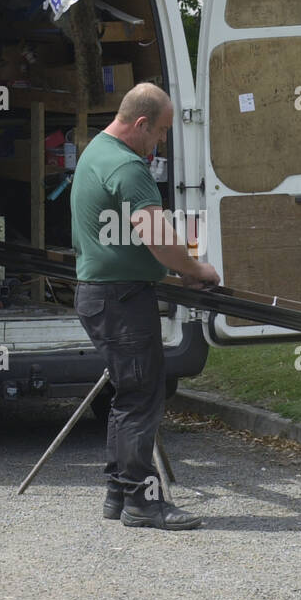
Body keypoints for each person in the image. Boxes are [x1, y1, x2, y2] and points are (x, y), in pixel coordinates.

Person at [71, 82, 220, 530]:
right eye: (159, 133)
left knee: (127, 397)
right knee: (141, 400)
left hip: (102, 294)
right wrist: (195, 269)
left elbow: (126, 237)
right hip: (121, 299)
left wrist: (168, 272)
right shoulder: (128, 167)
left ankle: (119, 493)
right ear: (140, 124)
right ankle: (143, 501)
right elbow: (155, 235)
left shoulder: (96, 150)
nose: (160, 143)